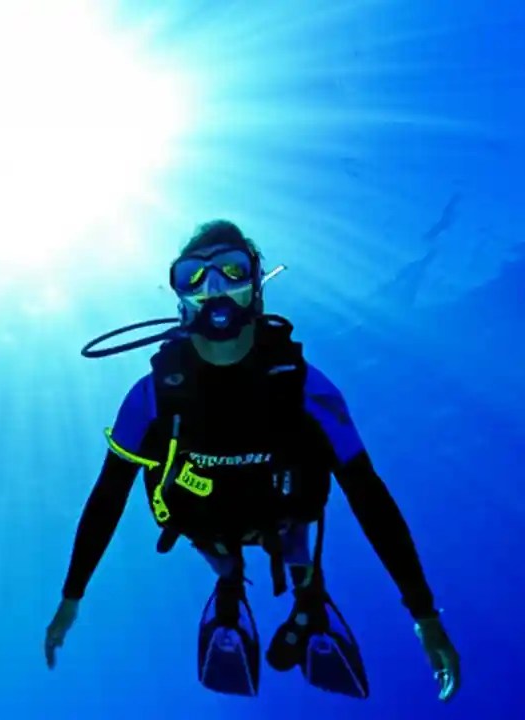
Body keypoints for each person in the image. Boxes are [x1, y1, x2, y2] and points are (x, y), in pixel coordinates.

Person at [43, 220, 461, 702]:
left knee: (295, 528)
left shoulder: (307, 389)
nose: (214, 289)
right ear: (179, 297)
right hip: (204, 518)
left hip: (283, 510)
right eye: (194, 277)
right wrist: (71, 597)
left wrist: (424, 614)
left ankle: (307, 594)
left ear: (256, 287)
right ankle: (231, 585)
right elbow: (108, 496)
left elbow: (368, 494)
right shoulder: (150, 398)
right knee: (215, 543)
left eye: (232, 271)